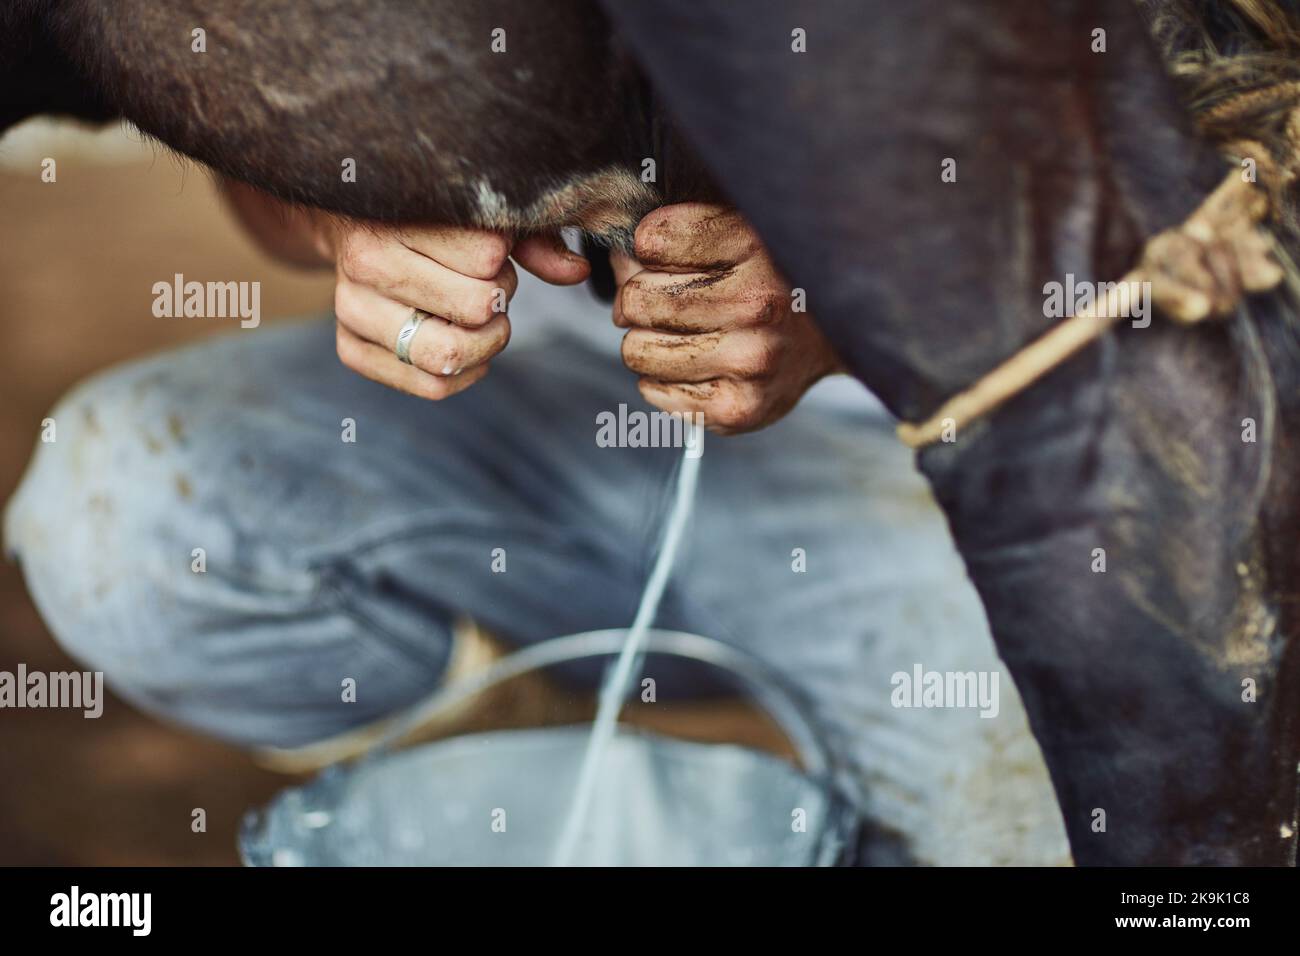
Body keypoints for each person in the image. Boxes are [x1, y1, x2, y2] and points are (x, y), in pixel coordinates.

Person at [3, 181, 1067, 865]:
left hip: (921, 450)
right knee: (120, 513)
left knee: (1045, 828)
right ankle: (499, 739)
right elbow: (249, 133)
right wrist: (343, 208)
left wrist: (846, 305)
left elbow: (1172, 171)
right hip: (535, 394)